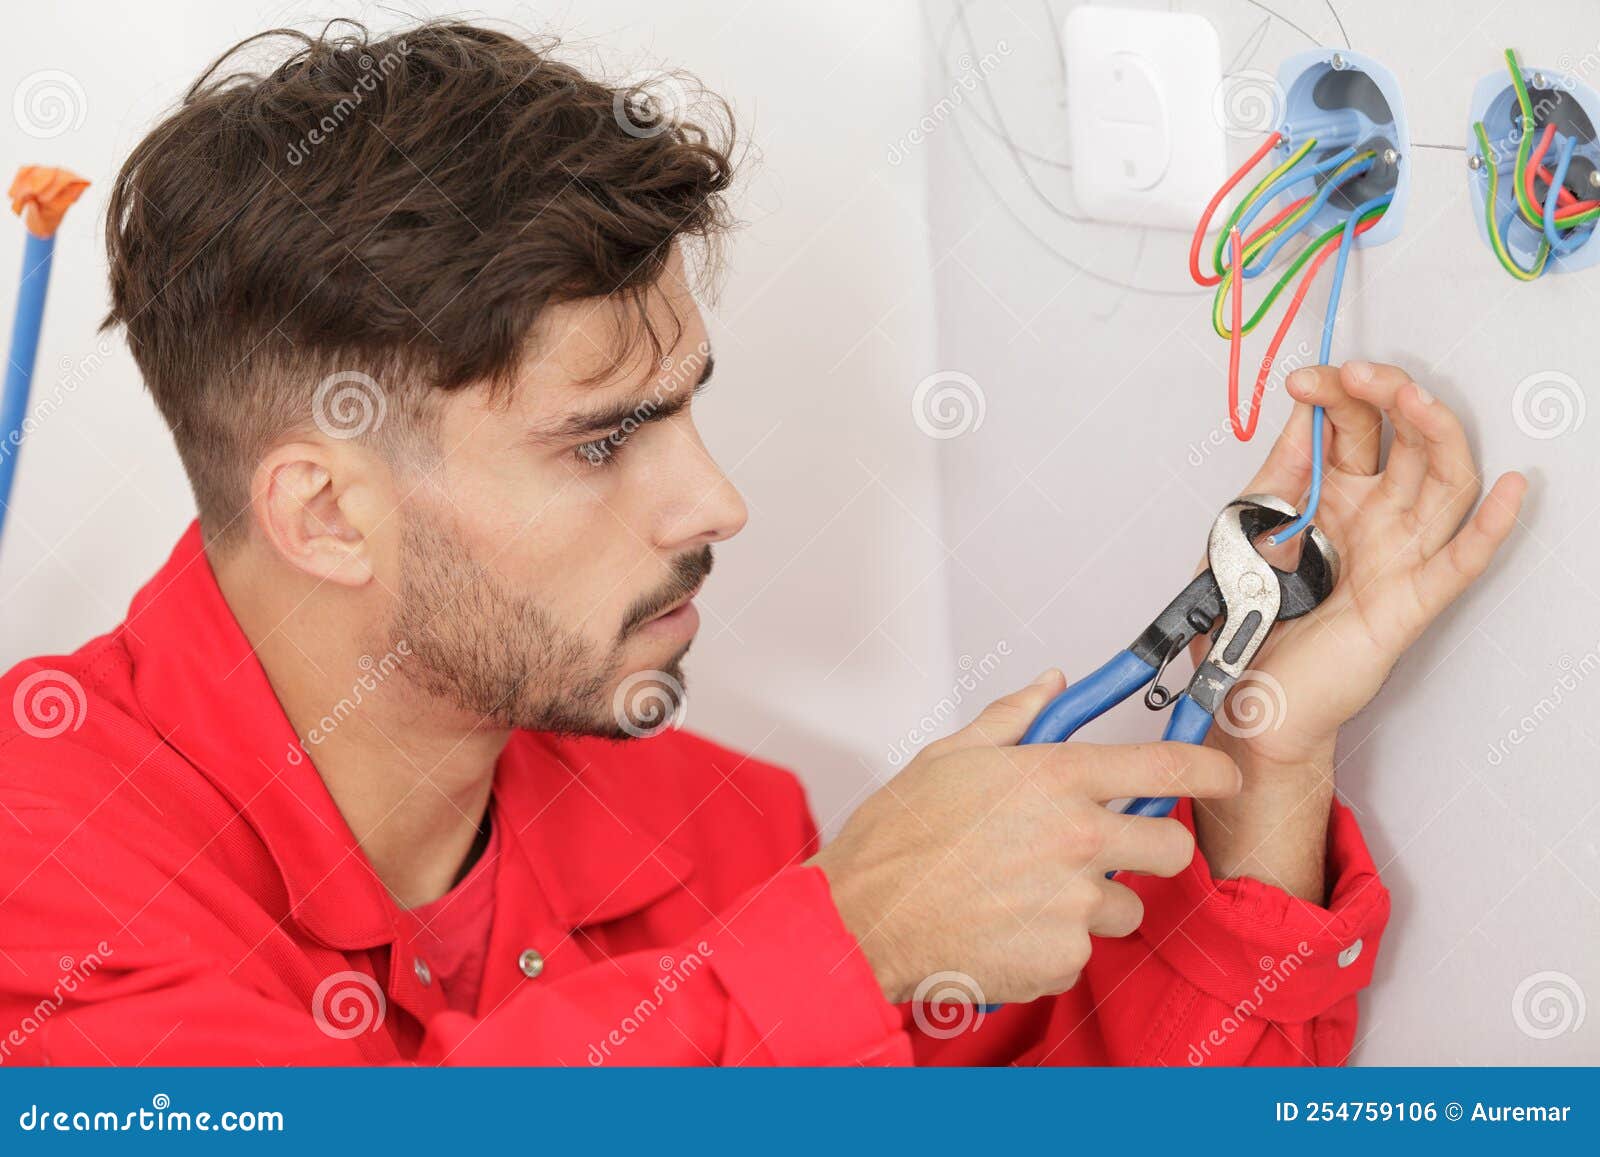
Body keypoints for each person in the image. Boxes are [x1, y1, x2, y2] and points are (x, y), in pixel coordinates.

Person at [0, 20, 1524, 1066]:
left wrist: (1267, 755)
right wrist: (838, 941)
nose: (717, 501)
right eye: (601, 439)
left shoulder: (719, 835)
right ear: (325, 511)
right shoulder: (39, 848)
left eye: (682, 411)